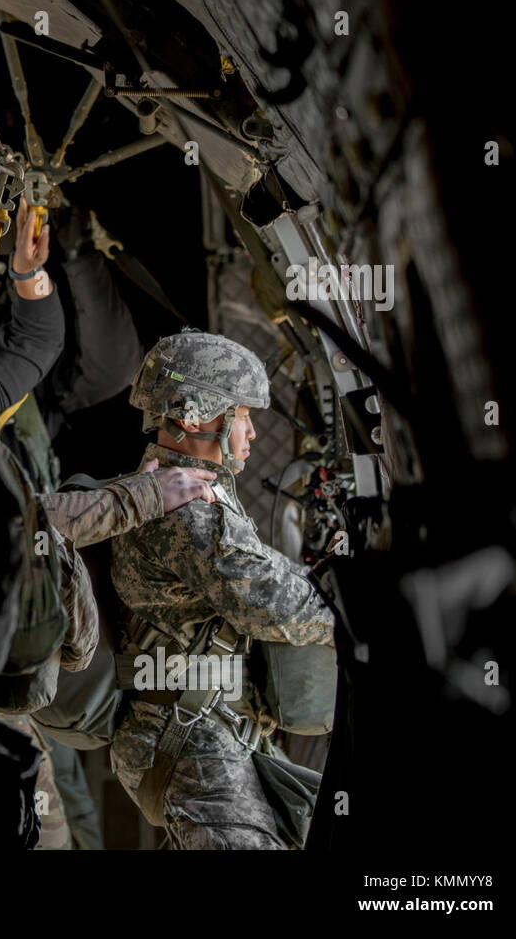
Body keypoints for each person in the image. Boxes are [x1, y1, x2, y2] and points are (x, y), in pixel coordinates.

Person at [108, 330, 337, 849]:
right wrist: (352, 609)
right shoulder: (182, 506)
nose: (252, 431)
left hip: (205, 722)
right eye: (242, 414)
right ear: (194, 417)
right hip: (187, 734)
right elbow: (267, 600)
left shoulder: (184, 487)